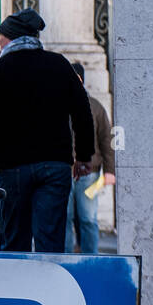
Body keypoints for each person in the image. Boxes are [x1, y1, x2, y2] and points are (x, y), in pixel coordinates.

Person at [0, 9, 95, 253]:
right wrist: (84, 156)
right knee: (50, 240)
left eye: (2, 37)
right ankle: (49, 288)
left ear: (9, 38)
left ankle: (18, 288)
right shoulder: (60, 65)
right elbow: (82, 112)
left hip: (12, 165)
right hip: (54, 163)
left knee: (15, 240)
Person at [66, 61, 114, 254]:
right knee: (65, 218)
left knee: (88, 219)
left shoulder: (96, 107)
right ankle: (66, 258)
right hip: (64, 172)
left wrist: (110, 171)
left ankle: (91, 258)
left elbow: (106, 140)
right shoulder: (59, 106)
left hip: (90, 174)